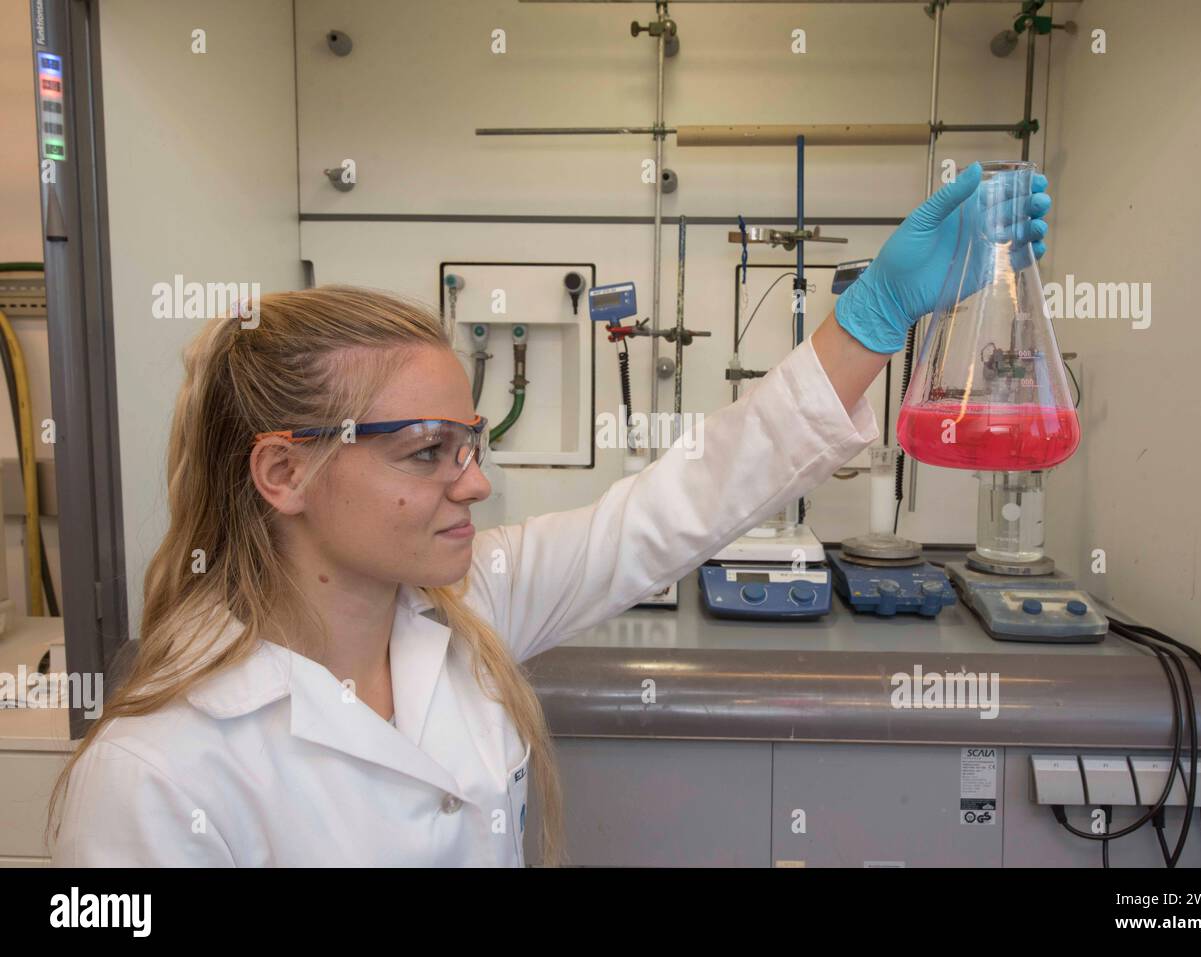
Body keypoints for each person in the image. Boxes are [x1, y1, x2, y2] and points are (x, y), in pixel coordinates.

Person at [48, 163, 1050, 866]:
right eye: (426, 452)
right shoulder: (152, 777)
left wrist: (874, 314)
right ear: (283, 472)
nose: (474, 485)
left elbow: (675, 506)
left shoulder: (461, 612)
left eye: (470, 443)